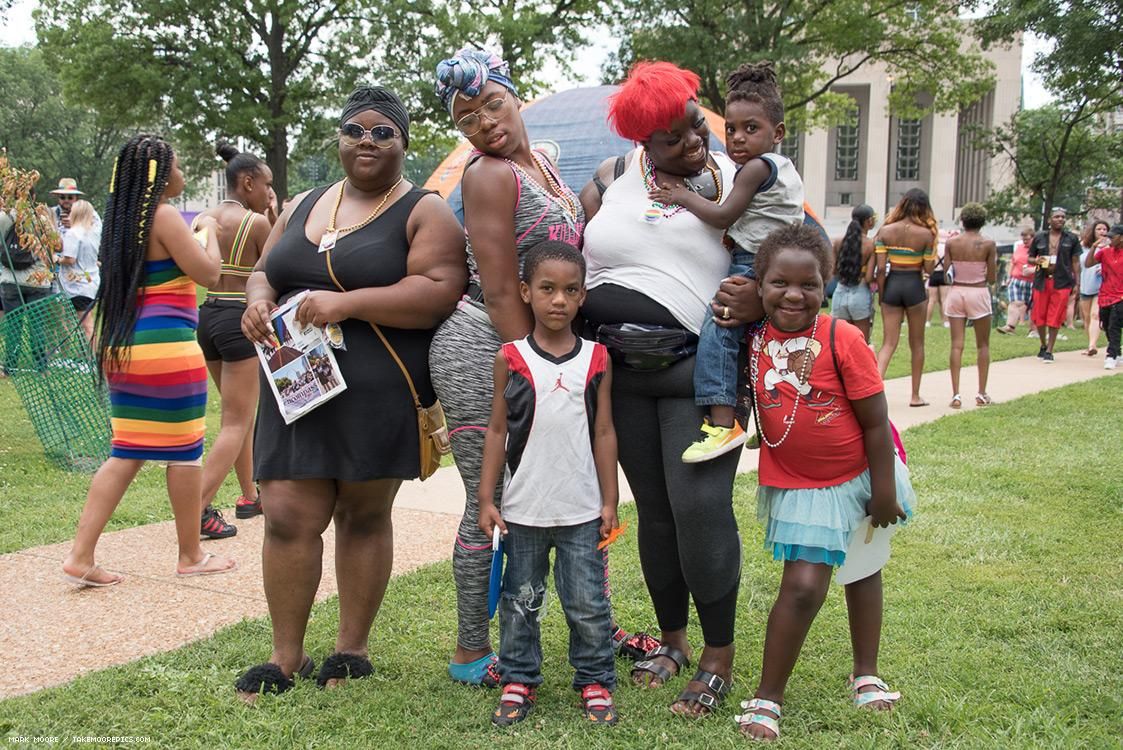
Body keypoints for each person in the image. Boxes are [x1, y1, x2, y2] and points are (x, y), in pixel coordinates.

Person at [430, 48, 654, 688]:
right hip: (487, 349)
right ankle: (473, 652)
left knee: (576, 492)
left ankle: (596, 625)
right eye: (467, 118)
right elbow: (501, 289)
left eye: (492, 104)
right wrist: (534, 369)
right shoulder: (486, 176)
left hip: (546, 353)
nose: (485, 124)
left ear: (515, 95)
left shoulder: (543, 164)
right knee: (492, 502)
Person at [235, 86, 466, 698]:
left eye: (382, 131)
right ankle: (286, 657)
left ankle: (350, 649)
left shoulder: (424, 210)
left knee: (363, 514)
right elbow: (264, 269)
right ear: (337, 139)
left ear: (404, 142)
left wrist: (350, 302)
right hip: (295, 386)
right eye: (354, 129)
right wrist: (258, 301)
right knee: (285, 514)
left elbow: (441, 289)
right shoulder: (305, 202)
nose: (367, 140)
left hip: (376, 386)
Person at [579, 60, 757, 715]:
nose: (691, 145)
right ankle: (674, 641)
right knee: (654, 513)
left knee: (698, 509)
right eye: (671, 139)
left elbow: (802, 252)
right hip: (619, 379)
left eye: (693, 129)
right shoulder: (612, 177)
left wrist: (756, 291)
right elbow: (575, 251)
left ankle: (717, 655)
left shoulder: (742, 178)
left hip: (696, 378)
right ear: (641, 143)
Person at [733, 223, 913, 741]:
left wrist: (882, 489)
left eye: (809, 285)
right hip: (799, 485)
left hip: (861, 476)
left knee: (862, 569)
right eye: (779, 283)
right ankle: (768, 696)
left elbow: (876, 421)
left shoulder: (842, 337)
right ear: (759, 284)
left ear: (826, 285)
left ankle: (866, 673)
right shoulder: (752, 337)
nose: (794, 294)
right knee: (804, 586)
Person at [60, 134, 235, 588]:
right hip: (168, 350)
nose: (181, 174)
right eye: (176, 167)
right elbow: (210, 274)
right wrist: (211, 233)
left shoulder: (121, 223)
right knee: (186, 452)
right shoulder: (164, 216)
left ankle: (81, 555)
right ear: (158, 175)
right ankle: (191, 555)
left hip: (125, 348)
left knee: (126, 452)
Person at [478, 242, 620, 727]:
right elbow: (496, 430)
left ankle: (596, 679)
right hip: (523, 511)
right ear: (526, 292)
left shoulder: (597, 359)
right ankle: (519, 678)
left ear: (582, 296)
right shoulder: (510, 357)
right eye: (547, 289)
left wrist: (610, 501)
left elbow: (604, 431)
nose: (558, 299)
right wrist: (486, 498)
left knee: (587, 602)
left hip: (581, 510)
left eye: (570, 290)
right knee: (521, 601)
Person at [644, 61, 803, 464]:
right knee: (762, 345)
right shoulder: (779, 168)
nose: (737, 138)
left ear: (777, 133)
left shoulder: (755, 168)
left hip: (755, 263)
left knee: (719, 327)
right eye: (730, 129)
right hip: (774, 256)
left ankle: (721, 421)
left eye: (752, 129)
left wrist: (681, 195)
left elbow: (721, 215)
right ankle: (771, 420)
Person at [192, 142, 275, 536]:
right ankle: (195, 507)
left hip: (207, 316)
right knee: (237, 421)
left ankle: (248, 495)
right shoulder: (255, 223)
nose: (267, 194)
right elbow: (278, 266)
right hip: (239, 318)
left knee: (235, 416)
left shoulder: (204, 219)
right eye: (265, 186)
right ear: (247, 182)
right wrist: (274, 215)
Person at [871, 188, 937, 406]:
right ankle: (915, 396)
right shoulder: (926, 234)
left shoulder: (885, 231)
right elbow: (928, 267)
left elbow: (880, 270)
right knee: (917, 344)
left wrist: (882, 294)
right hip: (914, 286)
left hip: (892, 285)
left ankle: (876, 392)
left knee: (888, 343)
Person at [943, 203, 997, 408]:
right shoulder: (988, 244)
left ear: (963, 221)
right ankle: (981, 392)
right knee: (982, 344)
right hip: (978, 291)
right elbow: (991, 277)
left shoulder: (952, 243)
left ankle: (956, 394)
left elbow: (947, 273)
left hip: (956, 292)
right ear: (982, 221)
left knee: (957, 344)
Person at [1028, 207, 1081, 363]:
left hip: (1062, 281)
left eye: (1063, 217)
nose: (1060, 219)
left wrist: (1077, 282)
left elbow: (1075, 261)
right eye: (1057, 217)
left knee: (1055, 317)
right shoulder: (1039, 237)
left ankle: (1050, 350)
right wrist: (1036, 261)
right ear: (1050, 219)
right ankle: (1043, 345)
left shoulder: (1071, 238)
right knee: (1040, 317)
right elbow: (1030, 257)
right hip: (1042, 280)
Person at [56, 199, 101, 342]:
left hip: (76, 285)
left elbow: (70, 259)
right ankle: (88, 357)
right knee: (87, 324)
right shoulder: (94, 232)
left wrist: (56, 259)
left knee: (85, 325)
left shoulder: (73, 233)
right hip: (91, 282)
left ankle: (92, 359)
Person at [831, 204, 877, 343]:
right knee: (861, 341)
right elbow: (869, 277)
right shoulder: (870, 245)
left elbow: (833, 270)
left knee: (840, 340)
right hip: (860, 293)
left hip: (839, 292)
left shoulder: (839, 242)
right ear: (869, 221)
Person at [1088, 224, 1123, 369]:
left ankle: (1111, 355)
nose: (1109, 239)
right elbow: (1089, 263)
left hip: (1120, 296)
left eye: (1112, 237)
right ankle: (1118, 351)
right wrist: (1093, 248)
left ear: (1121, 238)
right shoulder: (1105, 252)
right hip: (1105, 294)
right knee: (1106, 325)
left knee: (1114, 324)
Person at [1078, 220, 1108, 356]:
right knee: (1086, 317)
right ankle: (1089, 343)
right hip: (1086, 284)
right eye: (1099, 229)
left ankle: (1092, 345)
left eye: (1104, 229)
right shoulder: (1083, 246)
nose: (1102, 232)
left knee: (1095, 315)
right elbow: (1080, 264)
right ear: (1093, 231)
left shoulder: (1110, 247)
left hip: (1101, 286)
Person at [997, 227, 1035, 335]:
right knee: (1015, 302)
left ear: (1033, 238)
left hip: (1033, 281)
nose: (1025, 241)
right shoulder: (1019, 248)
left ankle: (1034, 329)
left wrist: (1033, 269)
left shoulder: (1039, 249)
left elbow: (1045, 265)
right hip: (1017, 279)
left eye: (1027, 239)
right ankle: (1010, 326)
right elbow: (1013, 262)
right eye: (1023, 239)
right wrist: (1009, 277)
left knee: (1034, 306)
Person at [925, 237, 950, 328]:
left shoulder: (934, 248)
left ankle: (927, 321)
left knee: (931, 300)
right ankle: (946, 322)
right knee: (944, 299)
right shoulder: (947, 248)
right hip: (943, 274)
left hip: (934, 273)